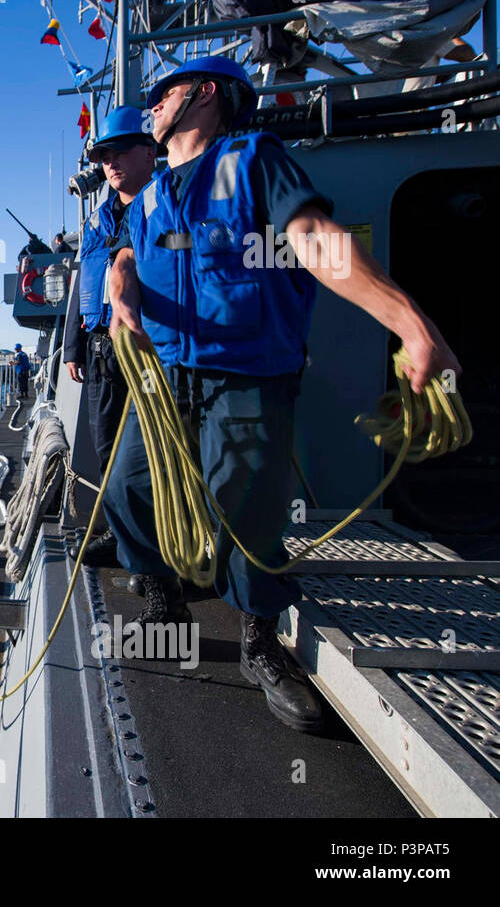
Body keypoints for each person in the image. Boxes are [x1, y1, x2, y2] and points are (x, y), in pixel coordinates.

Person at [104, 56, 460, 733]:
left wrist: (411, 325)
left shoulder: (254, 160)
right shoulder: (149, 194)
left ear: (204, 95)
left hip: (247, 373)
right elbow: (127, 252)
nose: (150, 107)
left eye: (163, 94)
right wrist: (120, 292)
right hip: (164, 376)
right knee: (127, 488)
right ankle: (164, 603)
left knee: (248, 506)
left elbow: (316, 242)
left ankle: (259, 639)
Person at [64, 108, 159, 570]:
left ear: (150, 151)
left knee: (152, 453)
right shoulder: (98, 220)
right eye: (104, 154)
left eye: (121, 151)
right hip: (102, 350)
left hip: (153, 349)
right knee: (107, 450)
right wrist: (73, 348)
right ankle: (123, 538)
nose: (111, 162)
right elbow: (82, 283)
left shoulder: (167, 203)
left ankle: (156, 551)